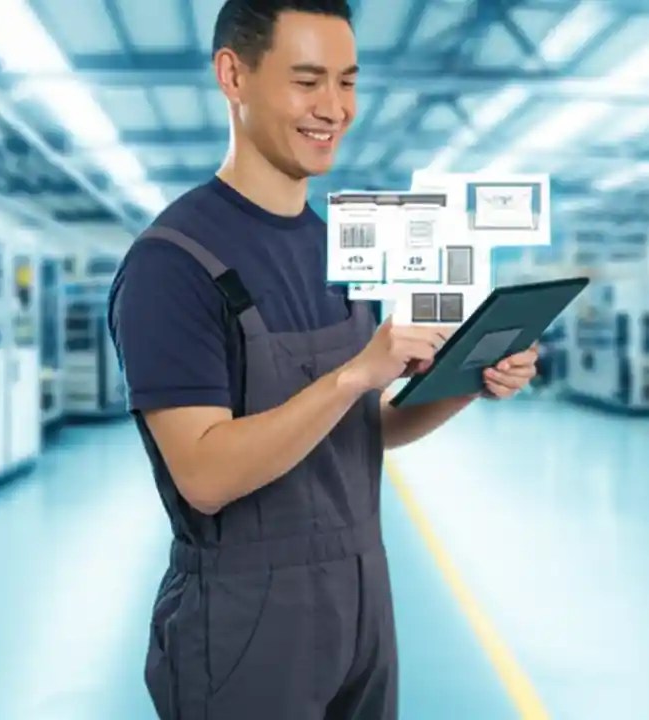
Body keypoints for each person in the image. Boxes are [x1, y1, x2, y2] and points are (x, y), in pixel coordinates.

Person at [106, 1, 540, 717]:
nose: (334, 108)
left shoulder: (336, 247)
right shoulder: (172, 264)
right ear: (232, 76)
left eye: (347, 82)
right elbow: (205, 475)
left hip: (362, 601)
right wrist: (355, 373)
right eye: (307, 81)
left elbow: (362, 428)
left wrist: (468, 382)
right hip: (244, 622)